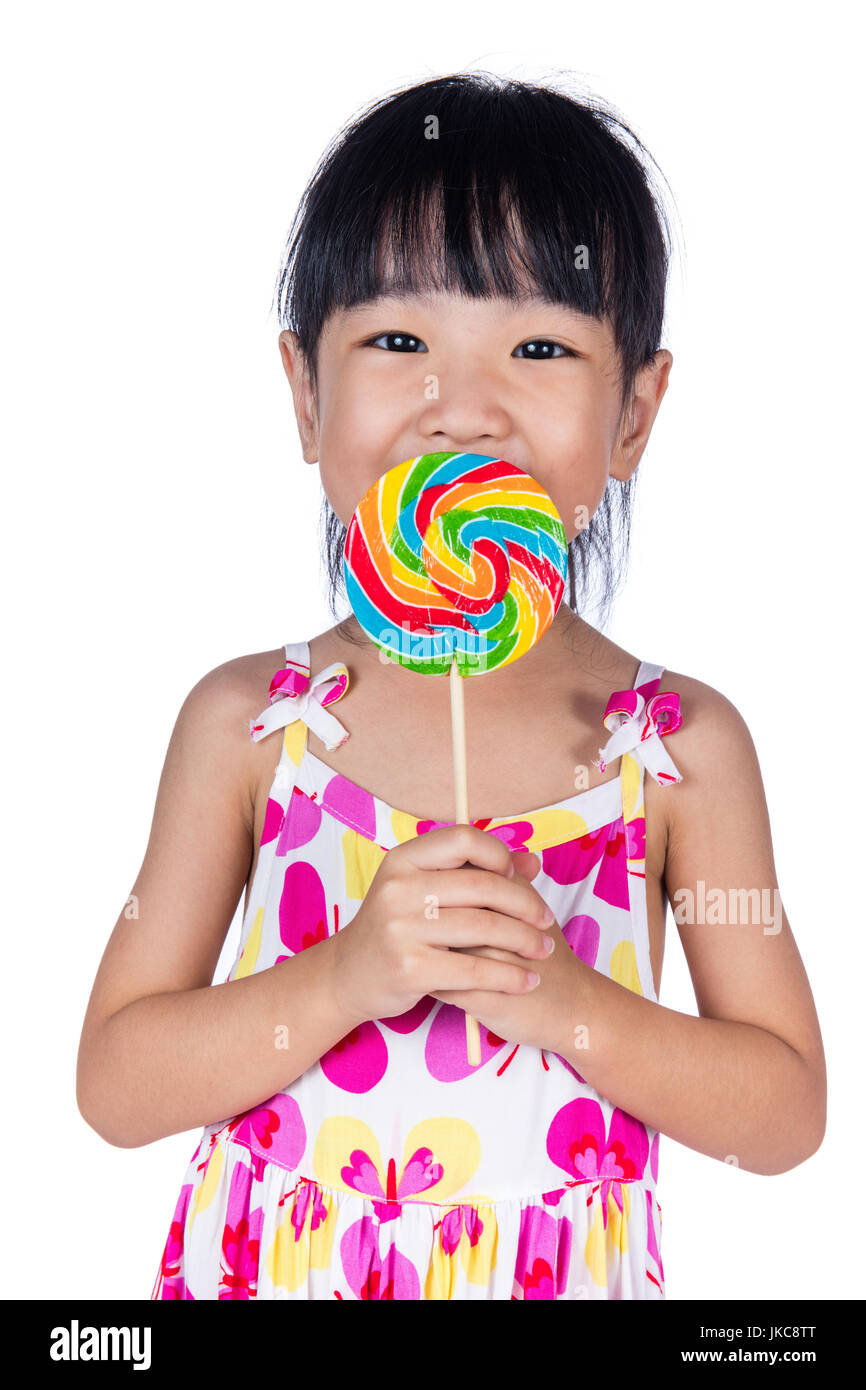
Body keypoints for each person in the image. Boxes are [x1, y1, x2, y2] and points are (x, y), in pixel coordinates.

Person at [76, 71, 826, 1300]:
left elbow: (782, 1114)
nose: (461, 406)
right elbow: (114, 1084)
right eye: (397, 340)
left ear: (634, 411)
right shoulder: (251, 726)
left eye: (538, 345)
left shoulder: (676, 747)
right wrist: (342, 977)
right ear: (304, 394)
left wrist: (567, 1003)